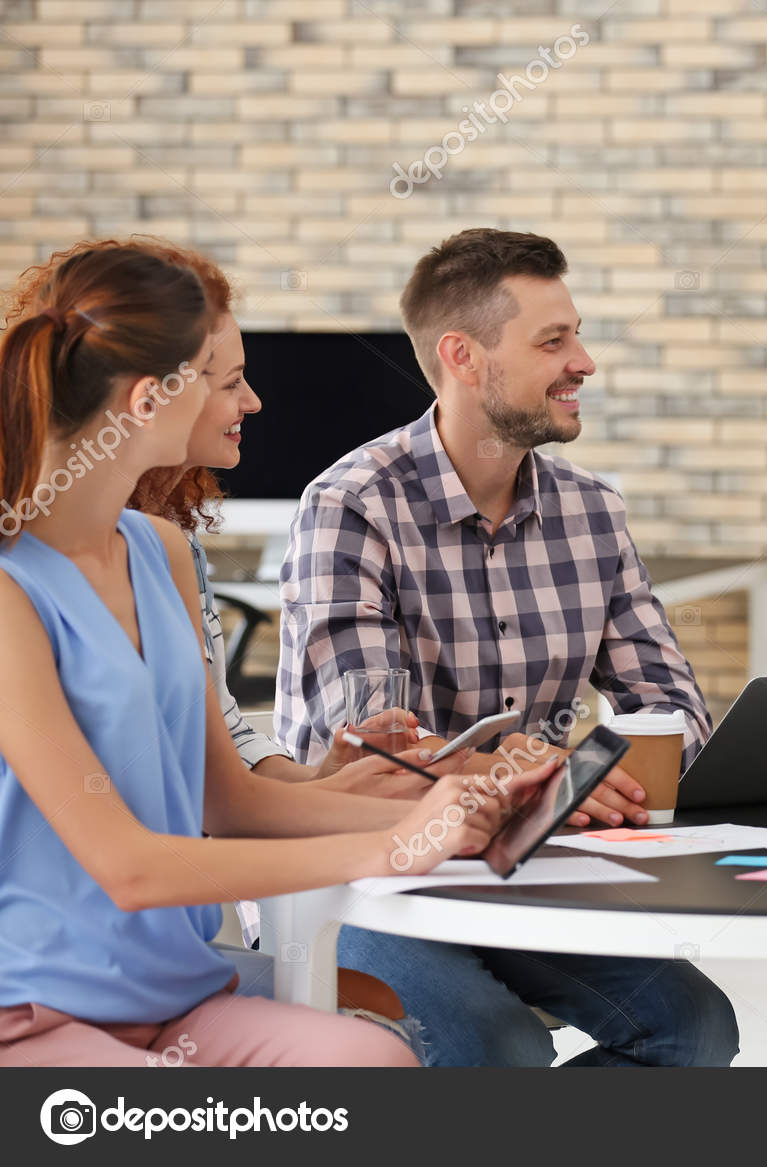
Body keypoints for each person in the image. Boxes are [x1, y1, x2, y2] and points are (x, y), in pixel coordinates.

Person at [0, 243, 544, 1067]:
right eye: (227, 380)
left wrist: (462, 812)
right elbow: (125, 868)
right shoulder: (12, 591)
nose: (251, 400)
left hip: (174, 997)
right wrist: (394, 843)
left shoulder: (163, 554)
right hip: (36, 1012)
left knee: (376, 1064)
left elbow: (232, 801)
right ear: (151, 399)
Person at [276, 227, 739, 1068]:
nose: (585, 361)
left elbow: (673, 713)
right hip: (370, 882)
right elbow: (369, 754)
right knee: (500, 1048)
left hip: (527, 872)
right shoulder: (351, 505)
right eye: (553, 341)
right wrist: (542, 774)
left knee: (698, 1026)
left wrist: (591, 771)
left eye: (578, 334)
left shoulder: (592, 511)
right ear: (464, 355)